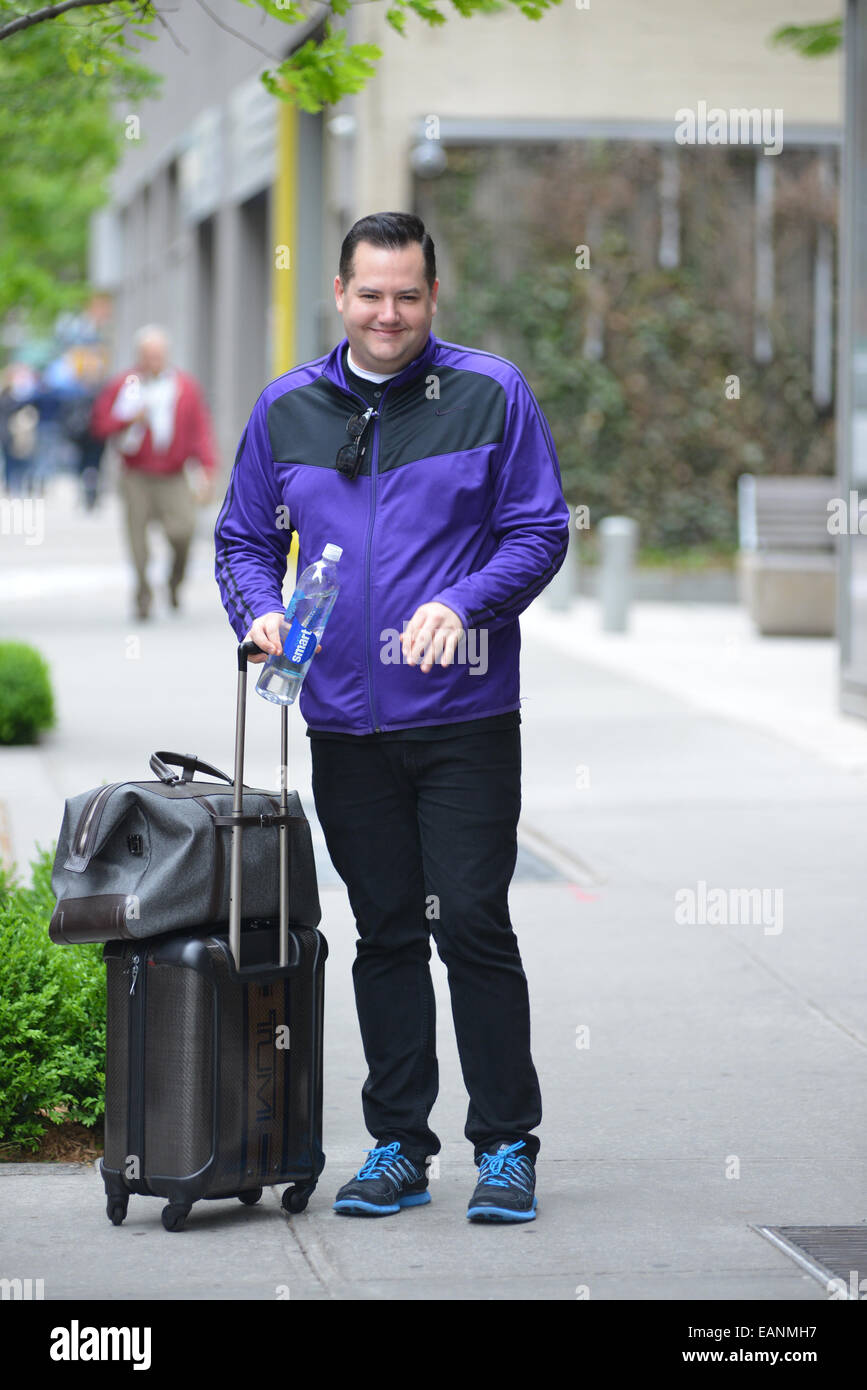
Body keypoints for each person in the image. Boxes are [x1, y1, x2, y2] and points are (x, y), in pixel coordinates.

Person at [214, 212, 571, 1223]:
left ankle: (505, 1144)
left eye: (407, 295)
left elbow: (540, 529)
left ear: (433, 295)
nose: (388, 314)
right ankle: (397, 1146)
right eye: (370, 294)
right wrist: (263, 612)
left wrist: (465, 602)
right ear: (339, 295)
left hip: (463, 714)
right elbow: (244, 538)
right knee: (381, 932)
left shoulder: (490, 393)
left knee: (469, 921)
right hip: (344, 721)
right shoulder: (287, 407)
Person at [92, 326, 217, 619]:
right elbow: (99, 426)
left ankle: (174, 582)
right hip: (136, 475)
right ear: (139, 356)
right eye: (148, 355)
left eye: (158, 355)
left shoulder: (184, 386)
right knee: (138, 540)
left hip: (173, 474)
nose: (153, 361)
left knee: (184, 531)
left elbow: (200, 431)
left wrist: (207, 470)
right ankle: (143, 594)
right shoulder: (125, 385)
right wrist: (126, 419)